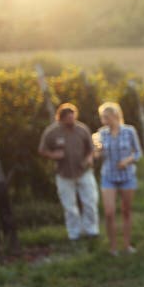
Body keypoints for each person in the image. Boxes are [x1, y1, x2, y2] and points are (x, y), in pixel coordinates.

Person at [38, 102, 99, 241]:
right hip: (63, 174)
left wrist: (89, 158)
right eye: (68, 118)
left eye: (73, 117)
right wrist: (53, 155)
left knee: (90, 202)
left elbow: (91, 149)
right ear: (61, 118)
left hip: (84, 172)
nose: (72, 120)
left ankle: (92, 231)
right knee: (70, 207)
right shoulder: (51, 132)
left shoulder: (82, 129)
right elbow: (42, 150)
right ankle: (74, 234)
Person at [93, 101, 141, 256]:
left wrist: (127, 160)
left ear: (115, 116)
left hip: (127, 176)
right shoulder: (101, 133)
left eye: (105, 117)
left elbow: (138, 153)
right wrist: (96, 151)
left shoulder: (129, 131)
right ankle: (113, 247)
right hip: (108, 176)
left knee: (126, 211)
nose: (103, 120)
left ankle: (126, 245)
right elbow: (97, 155)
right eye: (102, 117)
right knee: (109, 212)